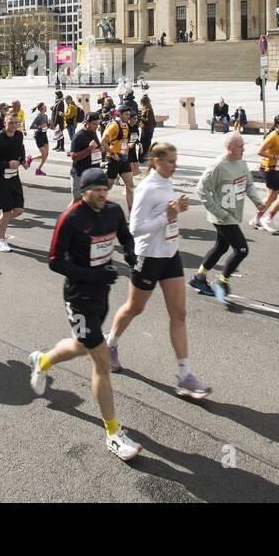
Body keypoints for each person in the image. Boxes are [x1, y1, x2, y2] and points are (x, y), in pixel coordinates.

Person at [28, 168, 142, 461]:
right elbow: (54, 260)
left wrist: (129, 254)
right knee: (101, 361)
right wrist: (91, 275)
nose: (103, 195)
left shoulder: (113, 211)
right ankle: (114, 434)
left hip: (101, 294)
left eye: (106, 189)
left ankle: (42, 360)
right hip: (78, 297)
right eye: (97, 191)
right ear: (83, 191)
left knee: (81, 346)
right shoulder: (71, 218)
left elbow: (125, 236)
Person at [106, 143, 210, 399]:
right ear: (156, 161)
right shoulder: (146, 188)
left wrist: (176, 211)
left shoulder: (165, 182)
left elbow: (167, 214)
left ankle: (184, 375)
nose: (176, 166)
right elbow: (135, 228)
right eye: (171, 161)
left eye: (176, 161)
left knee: (179, 314)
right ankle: (110, 344)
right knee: (135, 308)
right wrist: (168, 216)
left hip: (170, 253)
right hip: (149, 256)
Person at [192, 133, 266, 304]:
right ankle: (222, 282)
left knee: (220, 247)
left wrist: (258, 202)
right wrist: (219, 211)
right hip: (222, 216)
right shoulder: (217, 166)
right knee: (241, 250)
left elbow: (248, 184)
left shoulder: (241, 163)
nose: (244, 149)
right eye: (240, 146)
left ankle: (199, 277)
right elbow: (202, 190)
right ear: (230, 148)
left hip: (233, 214)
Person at [0, 113, 26, 252]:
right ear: (5, 123)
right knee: (7, 210)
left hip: (14, 176)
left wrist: (23, 160)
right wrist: (7, 164)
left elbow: (20, 149)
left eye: (16, 123)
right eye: (11, 123)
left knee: (19, 210)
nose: (14, 125)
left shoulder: (19, 135)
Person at [101, 107, 138, 213]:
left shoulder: (125, 125)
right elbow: (103, 142)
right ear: (120, 114)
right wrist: (113, 153)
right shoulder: (114, 125)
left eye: (129, 114)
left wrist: (127, 148)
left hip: (123, 159)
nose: (128, 116)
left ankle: (132, 214)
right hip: (113, 159)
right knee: (108, 187)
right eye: (126, 114)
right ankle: (96, 206)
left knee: (130, 186)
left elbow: (123, 140)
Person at [28, 103, 51, 176]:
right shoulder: (38, 116)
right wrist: (40, 127)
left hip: (44, 135)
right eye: (45, 107)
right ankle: (38, 168)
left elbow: (46, 126)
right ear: (41, 108)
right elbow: (31, 126)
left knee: (46, 154)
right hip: (38, 135)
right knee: (44, 154)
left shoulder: (46, 116)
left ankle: (32, 160)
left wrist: (49, 125)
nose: (46, 108)